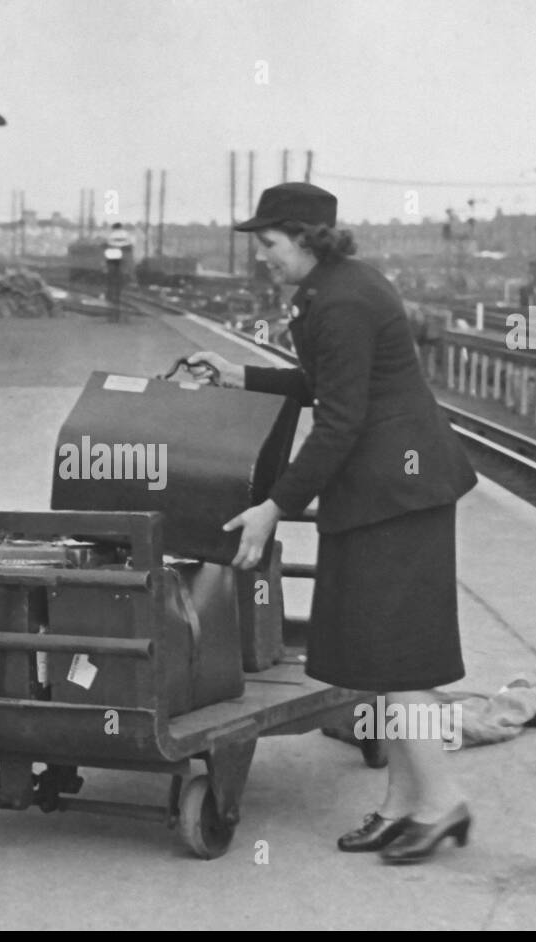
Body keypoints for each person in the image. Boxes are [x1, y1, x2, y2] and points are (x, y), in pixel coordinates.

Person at [188, 182, 478, 864]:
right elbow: (325, 385)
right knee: (382, 651)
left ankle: (442, 801)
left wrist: (274, 505)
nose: (260, 256)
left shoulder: (342, 300)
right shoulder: (335, 288)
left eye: (268, 243)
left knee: (396, 650)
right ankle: (405, 803)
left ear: (306, 237)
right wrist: (240, 375)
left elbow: (340, 419)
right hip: (385, 492)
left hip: (397, 494)